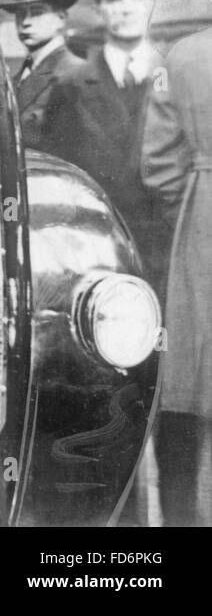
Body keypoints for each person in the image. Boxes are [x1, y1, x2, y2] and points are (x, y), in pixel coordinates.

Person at [40, 0, 169, 287]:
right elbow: (59, 178)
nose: (126, 9)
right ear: (99, 8)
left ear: (152, 3)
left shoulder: (173, 77)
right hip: (98, 254)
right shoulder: (71, 85)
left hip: (167, 249)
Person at [141, 27, 212, 526]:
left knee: (194, 377)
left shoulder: (182, 54)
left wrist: (192, 207)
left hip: (204, 220)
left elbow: (158, 166)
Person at [0, 0, 84, 148]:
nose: (26, 22)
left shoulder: (74, 73)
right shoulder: (17, 77)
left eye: (37, 12)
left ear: (61, 19)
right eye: (20, 14)